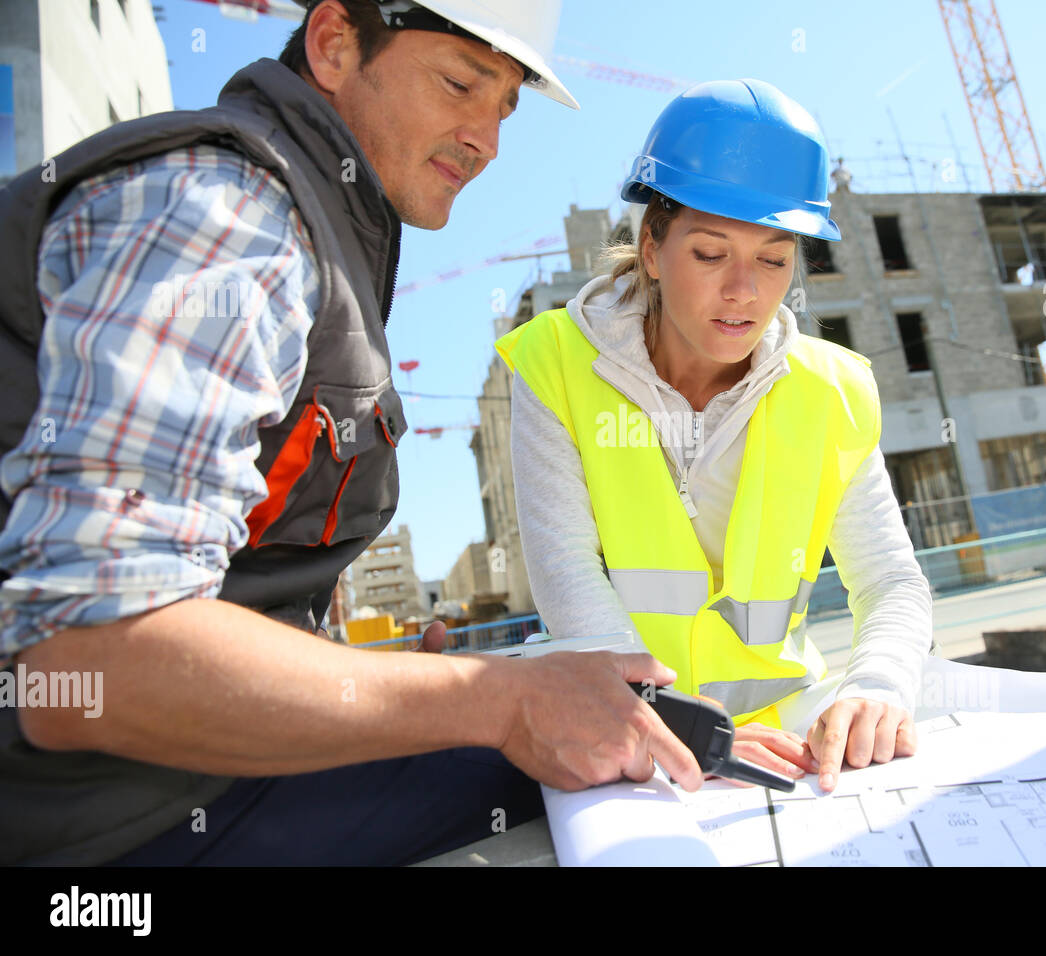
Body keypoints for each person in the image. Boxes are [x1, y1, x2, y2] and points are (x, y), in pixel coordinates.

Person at [0, 0, 702, 867]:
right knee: (588, 784)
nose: (486, 140)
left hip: (160, 781)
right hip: (90, 820)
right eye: (459, 84)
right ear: (334, 44)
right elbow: (88, 662)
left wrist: (400, 679)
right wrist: (492, 700)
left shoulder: (321, 227)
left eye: (506, 107)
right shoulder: (226, 214)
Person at [498, 79, 933, 794]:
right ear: (650, 250)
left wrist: (880, 686)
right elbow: (568, 580)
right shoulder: (555, 366)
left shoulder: (833, 392)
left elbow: (890, 581)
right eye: (709, 254)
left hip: (791, 743)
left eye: (773, 258)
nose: (744, 292)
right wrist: (682, 726)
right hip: (623, 729)